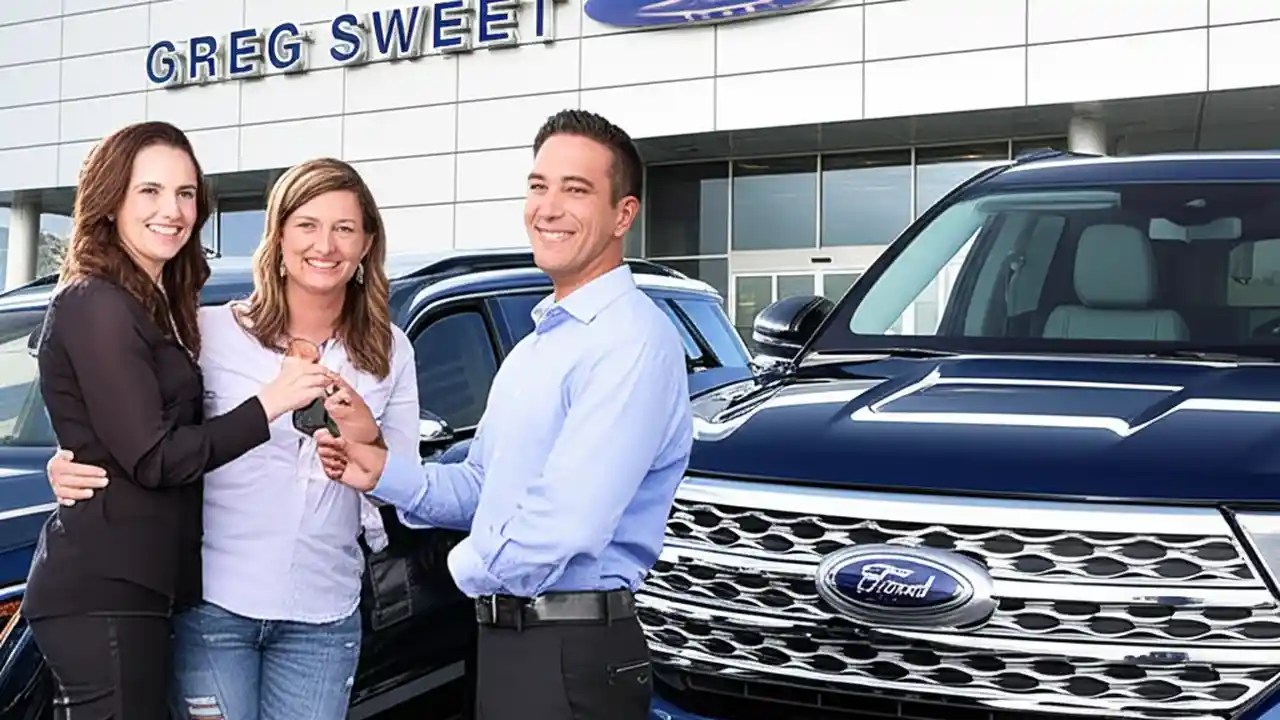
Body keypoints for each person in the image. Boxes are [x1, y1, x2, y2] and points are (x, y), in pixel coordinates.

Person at [316, 109, 693, 720]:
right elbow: (481, 486)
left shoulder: (632, 342)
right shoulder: (538, 345)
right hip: (513, 643)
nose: (548, 207)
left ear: (623, 214)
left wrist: (456, 568)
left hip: (571, 647)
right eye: (538, 185)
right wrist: (379, 467)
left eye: (576, 190)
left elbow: (566, 525)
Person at [43, 157, 420, 720]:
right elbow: (145, 426)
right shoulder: (213, 332)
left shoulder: (390, 351)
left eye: (345, 228)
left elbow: (404, 487)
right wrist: (70, 458)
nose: (326, 245)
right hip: (215, 604)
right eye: (308, 225)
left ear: (368, 243)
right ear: (279, 237)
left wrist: (367, 439)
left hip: (323, 611)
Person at [23, 121, 334, 719]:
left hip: (145, 587)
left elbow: (115, 436)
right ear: (111, 200)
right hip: (104, 588)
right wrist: (272, 402)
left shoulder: (157, 304)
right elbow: (155, 455)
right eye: (150, 192)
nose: (173, 210)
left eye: (186, 194)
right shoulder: (98, 303)